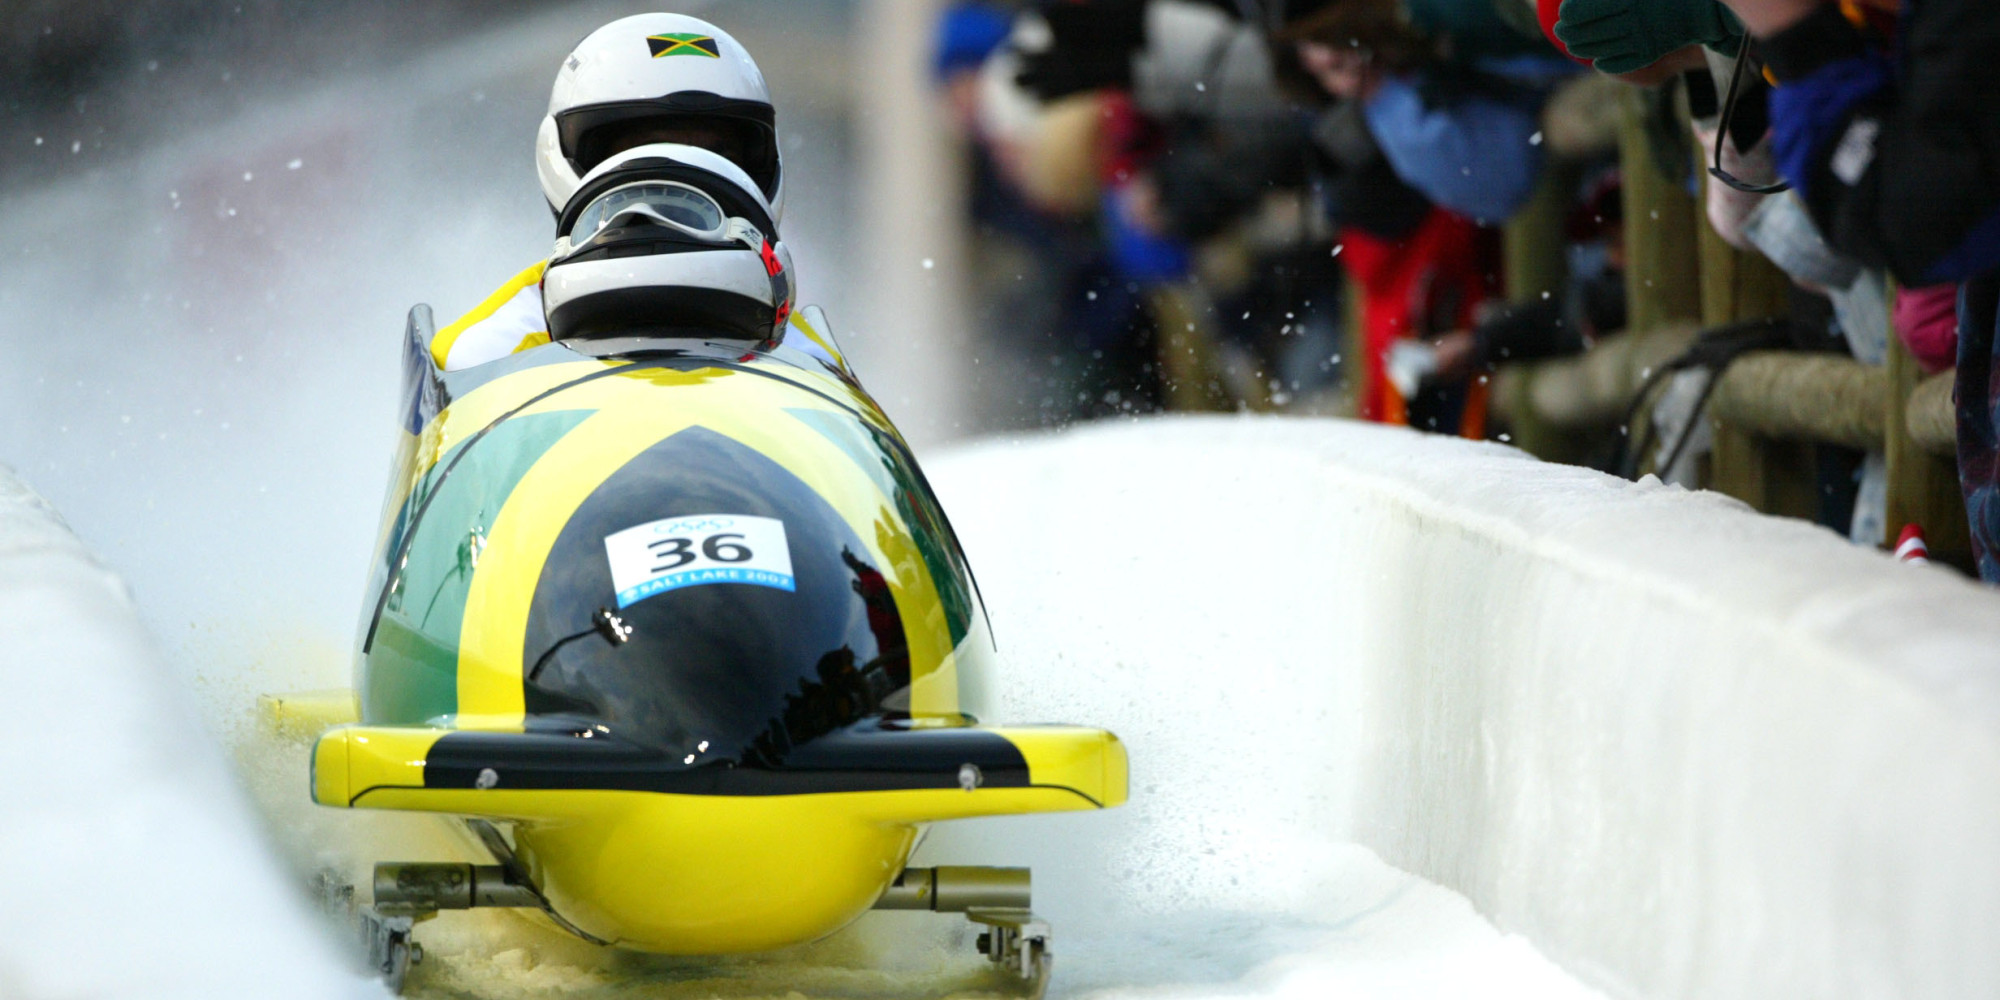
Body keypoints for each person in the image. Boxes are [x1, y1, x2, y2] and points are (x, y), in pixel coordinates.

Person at [429, 13, 826, 373]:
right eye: (646, 150)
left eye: (715, 155)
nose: (683, 180)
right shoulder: (478, 355)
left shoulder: (814, 359)